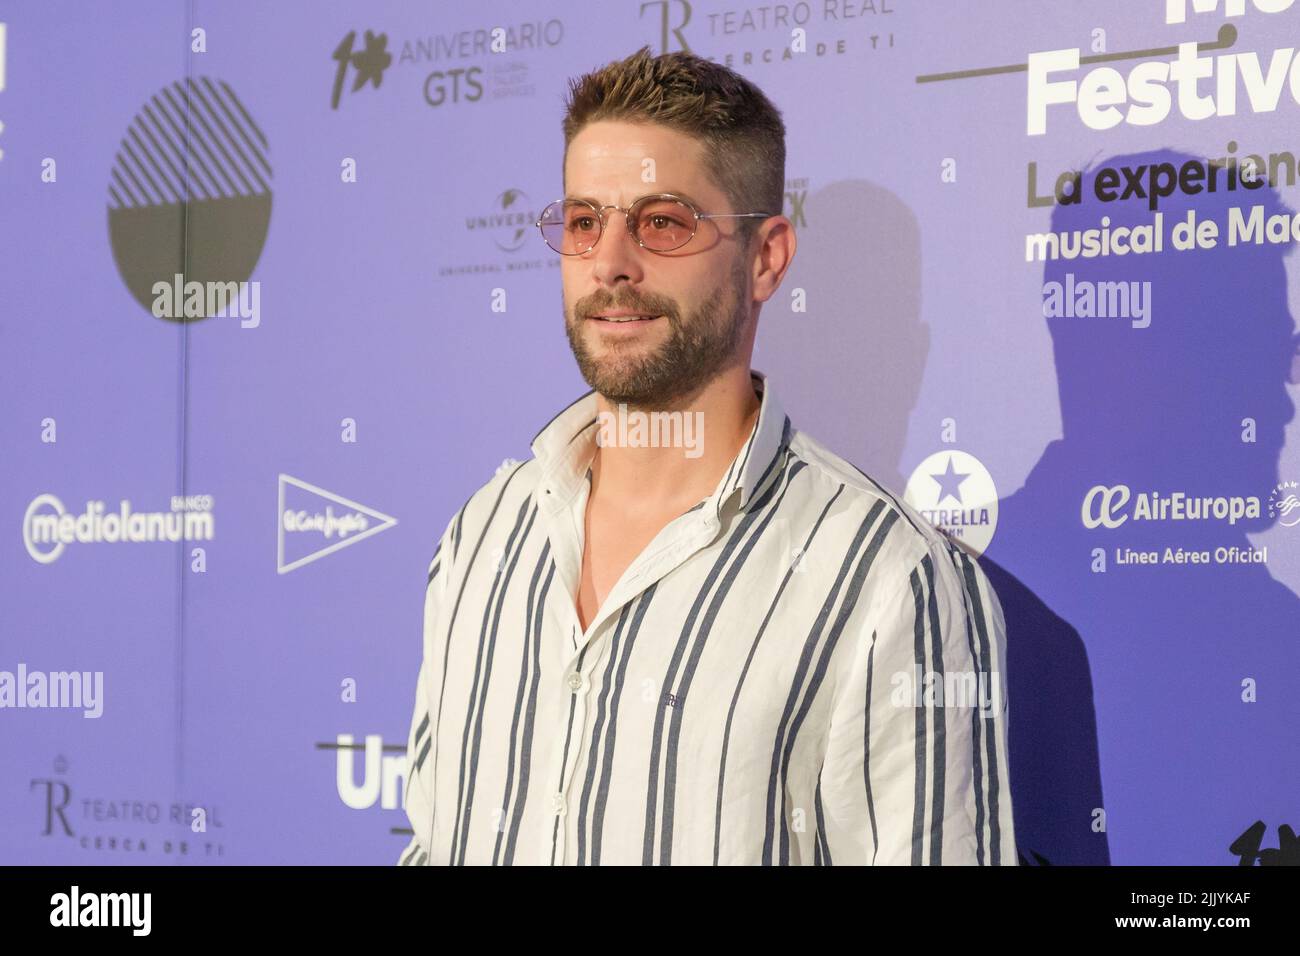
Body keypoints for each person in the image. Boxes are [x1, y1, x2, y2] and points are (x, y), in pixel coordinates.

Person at [397, 46, 1016, 866]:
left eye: (662, 222)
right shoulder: (482, 539)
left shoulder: (888, 582)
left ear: (765, 258)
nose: (611, 263)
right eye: (585, 222)